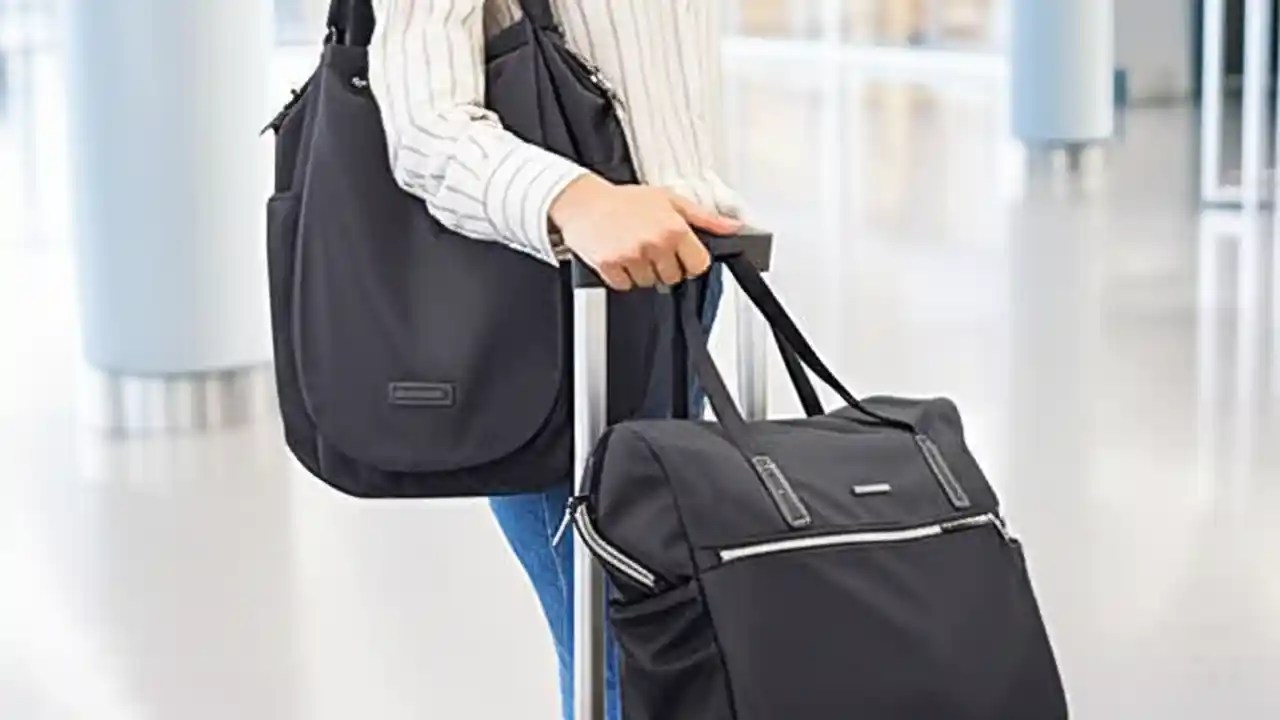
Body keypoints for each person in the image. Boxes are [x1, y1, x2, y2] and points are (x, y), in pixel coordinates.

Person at [367, 2, 743, 717]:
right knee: (621, 656)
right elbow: (426, 124)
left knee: (659, 636)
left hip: (684, 272)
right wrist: (574, 197)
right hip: (558, 300)